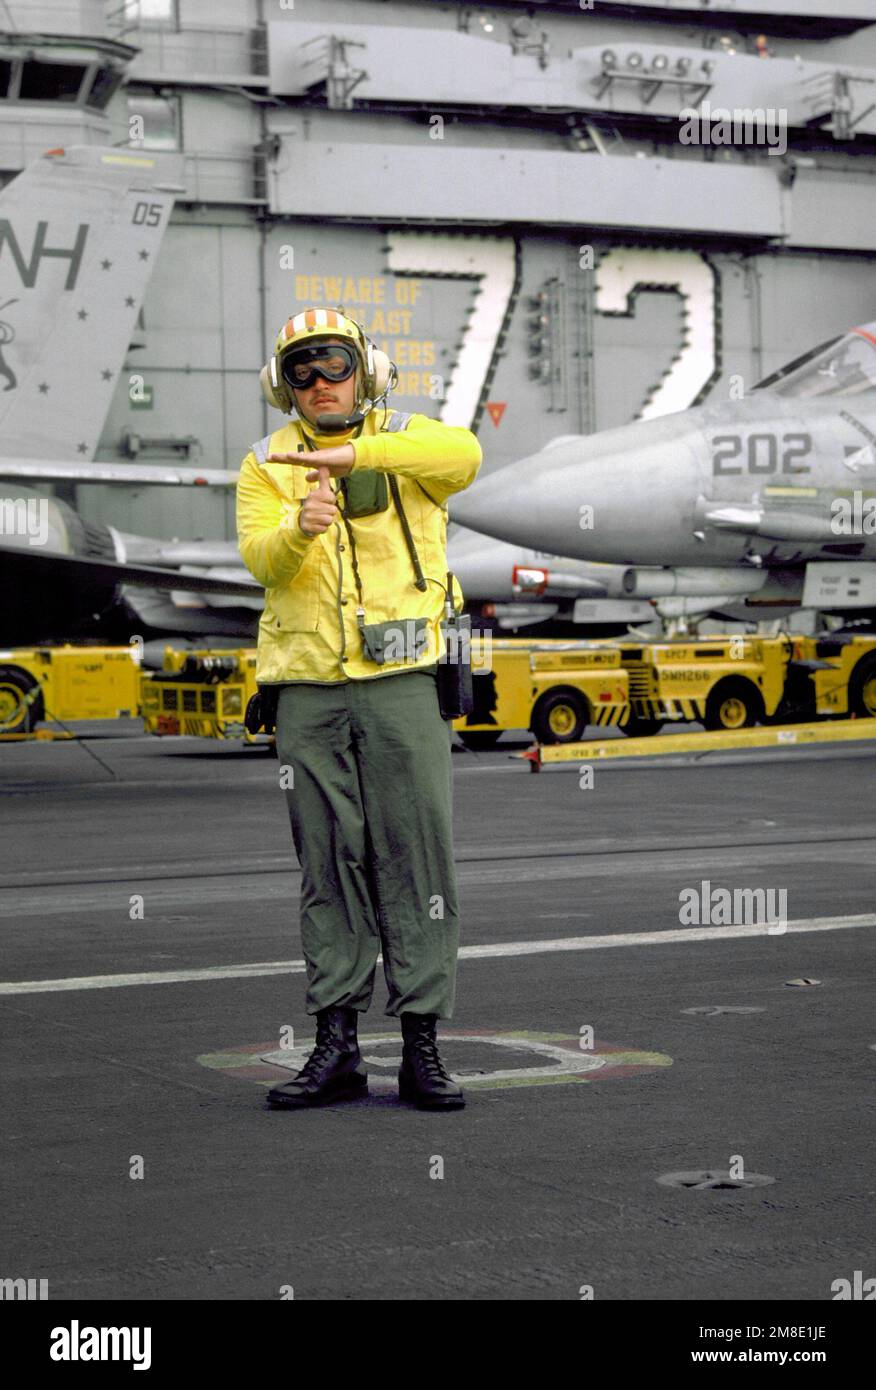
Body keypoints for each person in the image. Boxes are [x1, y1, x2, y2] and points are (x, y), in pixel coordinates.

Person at [236, 307, 482, 1110]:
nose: (318, 384)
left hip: (402, 684)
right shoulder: (264, 465)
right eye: (300, 372)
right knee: (327, 868)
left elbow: (468, 453)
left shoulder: (410, 448)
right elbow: (260, 561)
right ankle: (336, 1050)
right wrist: (300, 530)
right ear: (284, 387)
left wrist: (354, 456)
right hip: (307, 690)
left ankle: (422, 1050)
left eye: (332, 365)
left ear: (365, 370)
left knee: (417, 862)